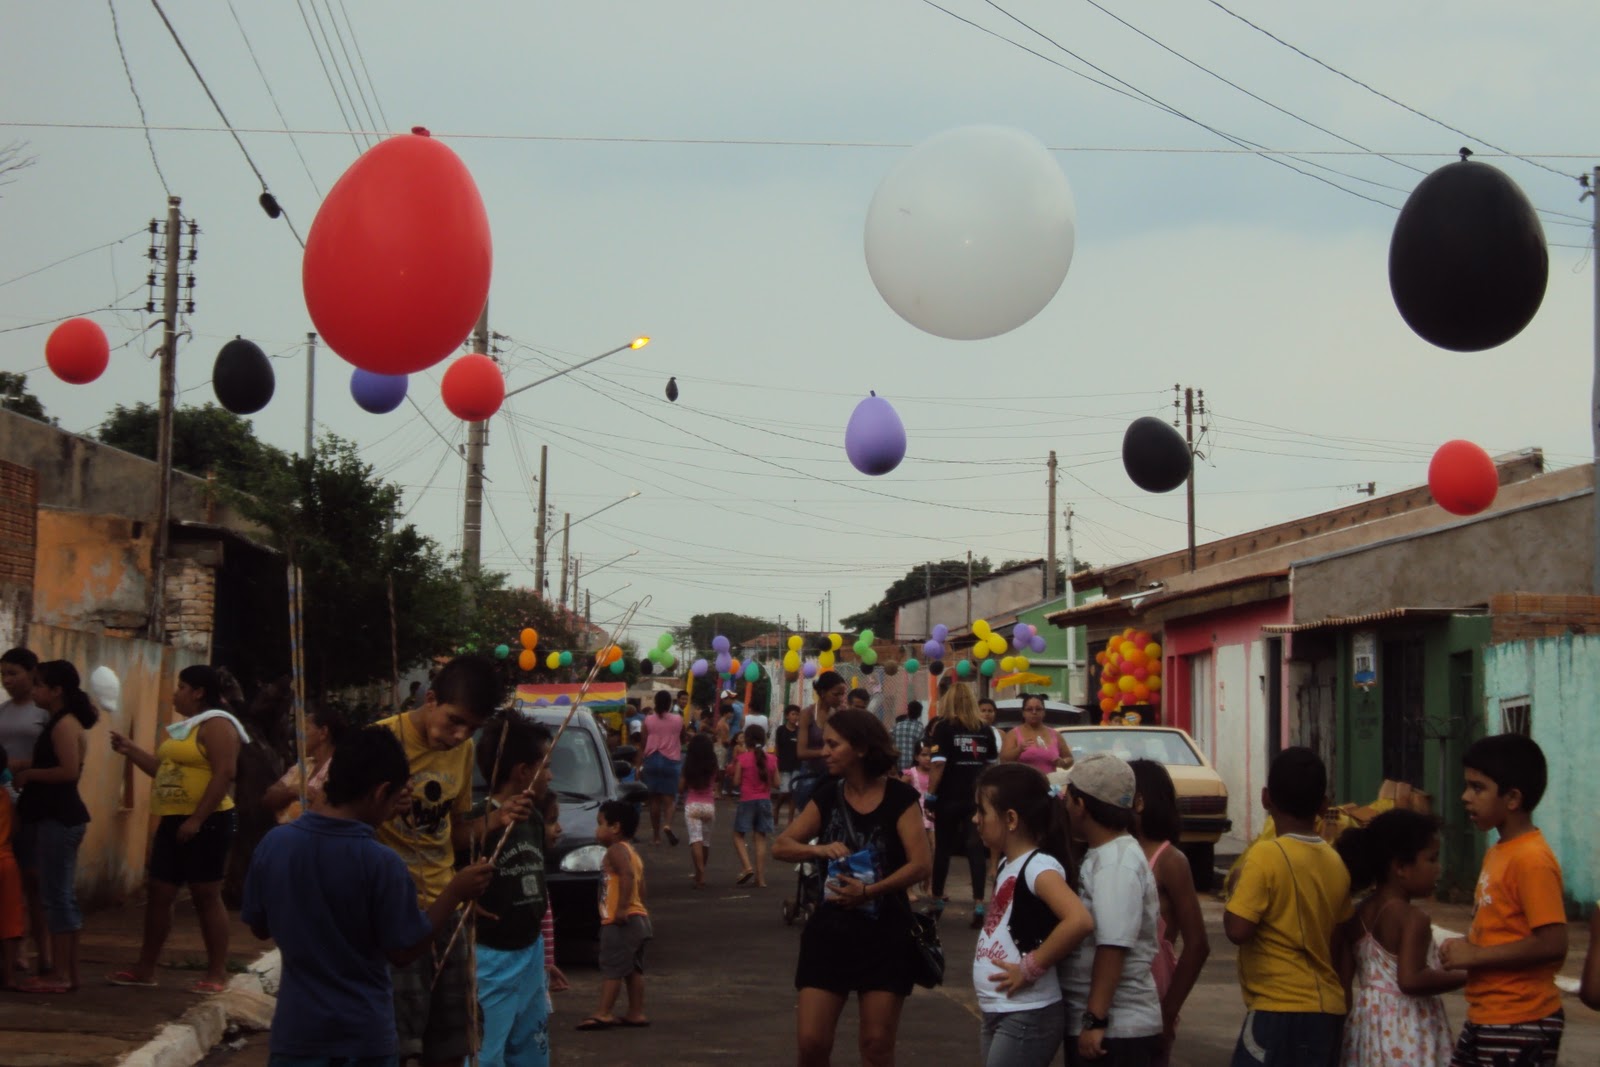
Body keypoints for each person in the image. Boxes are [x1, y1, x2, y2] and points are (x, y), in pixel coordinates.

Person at [243, 726, 495, 1064]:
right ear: (380, 794)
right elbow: (404, 950)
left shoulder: (275, 844)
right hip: (361, 1038)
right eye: (394, 799)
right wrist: (455, 892)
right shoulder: (381, 863)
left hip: (296, 1034)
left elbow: (259, 927)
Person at [375, 655, 533, 1067]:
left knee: (454, 1042)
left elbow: (453, 831)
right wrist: (384, 810)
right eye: (453, 721)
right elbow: (333, 819)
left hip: (445, 909)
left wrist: (498, 818)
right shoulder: (380, 743)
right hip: (394, 915)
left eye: (473, 729)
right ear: (430, 699)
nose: (460, 735)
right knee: (400, 1041)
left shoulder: (461, 753)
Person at [773, 707, 932, 1067]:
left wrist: (871, 891)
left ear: (860, 748)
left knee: (876, 1045)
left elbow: (921, 864)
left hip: (886, 933)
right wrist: (818, 848)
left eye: (833, 744)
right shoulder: (828, 795)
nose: (824, 751)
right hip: (830, 932)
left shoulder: (900, 798)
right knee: (812, 1043)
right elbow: (781, 846)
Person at [108, 664, 248, 992]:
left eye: (182, 687)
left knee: (205, 894)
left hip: (208, 820)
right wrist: (130, 750)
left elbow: (224, 773)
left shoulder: (218, 724)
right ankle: (146, 967)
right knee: (160, 892)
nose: (176, 694)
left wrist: (197, 818)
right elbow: (163, 770)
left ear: (198, 692)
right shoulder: (184, 728)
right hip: (173, 818)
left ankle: (216, 972)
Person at [1439, 733, 1568, 1066]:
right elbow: (1503, 929)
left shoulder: (1531, 859)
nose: (1465, 797)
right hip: (1488, 1013)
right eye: (1467, 786)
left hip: (1521, 1017)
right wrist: (1466, 946)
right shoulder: (1499, 852)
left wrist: (1476, 955)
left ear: (1512, 798)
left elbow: (1552, 943)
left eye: (1478, 788)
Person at [1223, 746, 1353, 1067]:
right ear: (1324, 806)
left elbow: (1238, 930)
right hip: (1327, 1011)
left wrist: (1237, 886)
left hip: (1278, 1008)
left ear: (1266, 798)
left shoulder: (1265, 855)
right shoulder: (1335, 861)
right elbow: (1341, 942)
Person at [972, 762, 1094, 1067]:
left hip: (1027, 1013)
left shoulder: (1038, 867)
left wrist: (1030, 968)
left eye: (982, 811)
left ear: (1010, 819)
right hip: (1001, 1009)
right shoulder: (1007, 864)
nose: (975, 819)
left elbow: (1078, 920)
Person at [1333, 809, 1461, 1067]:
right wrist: (1468, 975)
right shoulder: (1413, 919)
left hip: (1365, 1029)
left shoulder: (1353, 916)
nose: (1438, 869)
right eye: (1432, 859)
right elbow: (1411, 980)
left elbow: (1342, 983)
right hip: (1408, 1030)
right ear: (1401, 867)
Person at [1061, 752, 1164, 1065]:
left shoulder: (1116, 863)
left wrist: (1095, 1019)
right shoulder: (1105, 854)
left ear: (1080, 805)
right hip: (1108, 1028)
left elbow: (1113, 945)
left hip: (1118, 1033)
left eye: (1067, 798)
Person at [474, 712, 558, 1067]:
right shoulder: (478, 824)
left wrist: (546, 959)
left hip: (530, 952)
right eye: (546, 766)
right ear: (523, 772)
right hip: (492, 957)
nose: (551, 775)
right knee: (489, 1052)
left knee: (531, 1045)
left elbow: (538, 886)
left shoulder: (535, 819)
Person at [14, 662, 97, 993]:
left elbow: (67, 771)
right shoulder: (58, 723)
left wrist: (29, 775)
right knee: (60, 896)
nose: (34, 691)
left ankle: (61, 974)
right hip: (53, 818)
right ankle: (68, 974)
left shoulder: (64, 725)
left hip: (59, 819)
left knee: (57, 896)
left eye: (39, 685)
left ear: (57, 690)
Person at [1129, 760, 1210, 1065]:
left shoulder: (1170, 860)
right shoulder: (1118, 851)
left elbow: (1198, 944)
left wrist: (1168, 1012)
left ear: (1139, 802)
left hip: (1151, 991)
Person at [926, 682, 999, 927]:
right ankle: (979, 903)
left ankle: (937, 901)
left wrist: (930, 795)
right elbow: (991, 765)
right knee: (975, 850)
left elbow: (938, 764)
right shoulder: (984, 730)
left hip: (948, 796)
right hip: (976, 798)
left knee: (943, 849)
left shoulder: (943, 728)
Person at [577, 799, 651, 1031]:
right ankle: (636, 1012)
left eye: (600, 823)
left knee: (612, 968)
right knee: (633, 969)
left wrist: (621, 908)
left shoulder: (616, 850)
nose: (596, 830)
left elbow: (627, 876)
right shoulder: (632, 852)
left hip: (621, 920)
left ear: (615, 827)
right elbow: (642, 886)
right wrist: (638, 908)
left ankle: (604, 1012)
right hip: (638, 918)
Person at [0, 647, 49, 976]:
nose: (6, 681)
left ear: (32, 673)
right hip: (5, 798)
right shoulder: (2, 711)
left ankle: (42, 950)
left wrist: (23, 765)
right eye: (3, 674)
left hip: (35, 799)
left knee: (34, 879)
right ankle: (13, 951)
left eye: (13, 673)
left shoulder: (43, 712)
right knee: (9, 880)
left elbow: (56, 756)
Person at [262, 705, 345, 824]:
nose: (299, 736)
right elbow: (268, 798)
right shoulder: (304, 764)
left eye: (305, 729)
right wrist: (292, 791)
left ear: (323, 732)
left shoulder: (339, 768)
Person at [792, 671, 847, 818]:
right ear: (823, 692)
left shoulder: (839, 715)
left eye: (842, 694)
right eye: (836, 694)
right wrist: (823, 752)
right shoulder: (807, 714)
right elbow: (801, 752)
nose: (840, 699)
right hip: (810, 775)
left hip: (832, 776)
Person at [732, 723, 779, 888]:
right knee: (760, 839)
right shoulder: (772, 759)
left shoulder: (743, 758)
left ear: (747, 741)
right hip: (765, 801)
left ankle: (747, 867)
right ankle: (761, 879)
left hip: (747, 800)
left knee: (738, 835)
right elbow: (777, 783)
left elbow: (736, 781)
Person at [639, 690, 684, 847]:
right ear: (670, 704)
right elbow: (682, 737)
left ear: (655, 702)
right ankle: (667, 825)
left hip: (651, 759)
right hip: (671, 760)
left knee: (654, 801)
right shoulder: (678, 719)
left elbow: (643, 741)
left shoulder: (648, 720)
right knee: (669, 800)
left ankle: (656, 836)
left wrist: (639, 764)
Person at [680, 734, 719, 890]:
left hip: (692, 805)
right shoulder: (712, 765)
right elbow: (715, 781)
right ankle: (700, 872)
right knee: (705, 842)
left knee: (695, 839)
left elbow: (680, 787)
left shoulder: (688, 765)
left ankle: (700, 873)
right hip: (709, 806)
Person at [1001, 693, 1073, 775]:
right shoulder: (1013, 734)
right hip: (1022, 784)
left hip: (1049, 784)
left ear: (1044, 712)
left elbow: (1069, 758)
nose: (1034, 712)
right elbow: (1004, 760)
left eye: (1038, 709)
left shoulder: (1055, 735)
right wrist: (1019, 750)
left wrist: (1063, 762)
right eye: (1029, 709)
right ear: (1023, 712)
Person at [0, 743, 20, 991]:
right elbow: (15, 828)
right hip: (6, 860)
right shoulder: (6, 795)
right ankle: (10, 975)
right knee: (9, 923)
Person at [774, 705, 801, 825]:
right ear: (787, 716)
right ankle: (776, 809)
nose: (795, 717)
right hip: (784, 764)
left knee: (794, 792)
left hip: (797, 764)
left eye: (797, 714)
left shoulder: (800, 731)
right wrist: (776, 762)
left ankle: (790, 819)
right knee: (785, 791)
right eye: (793, 714)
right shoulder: (781, 730)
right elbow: (777, 747)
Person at [892, 701, 924, 773]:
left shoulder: (897, 725)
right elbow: (922, 747)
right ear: (920, 714)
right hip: (912, 767)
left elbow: (889, 741)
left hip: (896, 765)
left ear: (908, 711)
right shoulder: (920, 728)